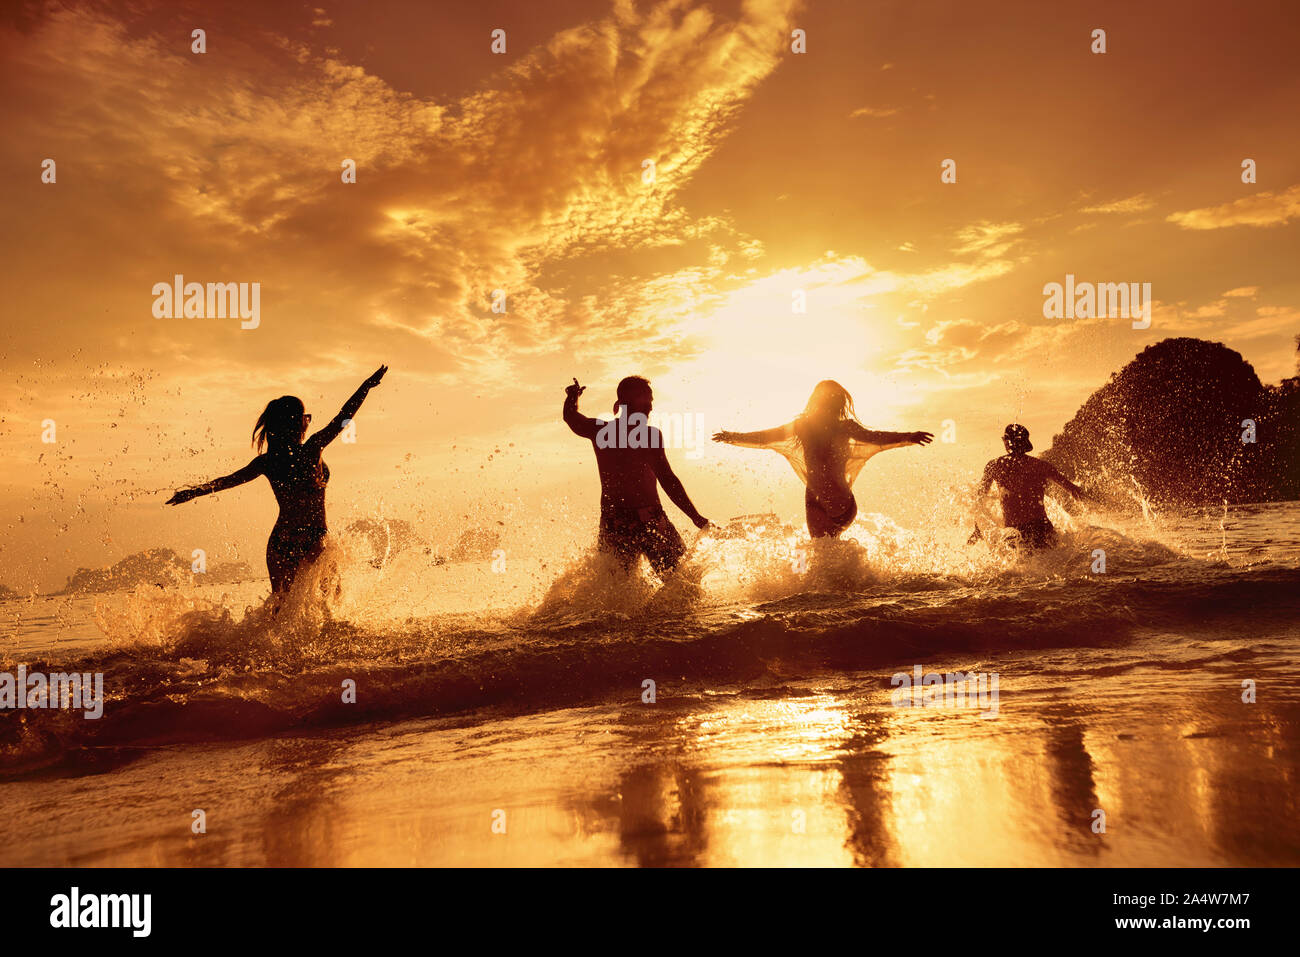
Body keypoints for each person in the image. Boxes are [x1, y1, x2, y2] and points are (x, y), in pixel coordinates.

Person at [166, 365, 388, 594]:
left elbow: (228, 481)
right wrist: (366, 387)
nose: (308, 421)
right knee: (330, 603)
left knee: (279, 607)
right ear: (297, 422)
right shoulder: (311, 449)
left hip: (281, 541)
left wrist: (193, 492)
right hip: (313, 538)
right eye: (305, 417)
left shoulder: (267, 461)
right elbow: (343, 417)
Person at [713, 379, 932, 538]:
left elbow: (876, 437)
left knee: (823, 552)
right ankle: (844, 589)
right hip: (821, 503)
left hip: (838, 504)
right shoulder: (803, 426)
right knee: (823, 554)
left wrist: (908, 436)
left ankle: (839, 589)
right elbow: (767, 436)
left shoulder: (841, 427)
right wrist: (733, 437)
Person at [563, 376, 711, 576]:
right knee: (684, 582)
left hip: (613, 523)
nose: (651, 406)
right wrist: (695, 516)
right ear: (629, 400)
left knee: (616, 595)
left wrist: (572, 396)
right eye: (647, 399)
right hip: (649, 520)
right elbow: (667, 479)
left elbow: (570, 417)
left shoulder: (600, 430)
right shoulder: (648, 435)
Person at [975, 423, 1091, 549]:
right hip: (1042, 528)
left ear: (1006, 441)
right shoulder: (1040, 466)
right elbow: (1073, 490)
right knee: (1054, 565)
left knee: (1018, 567)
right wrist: (1096, 507)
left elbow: (978, 500)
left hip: (1014, 533)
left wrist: (978, 528)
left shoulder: (995, 466)